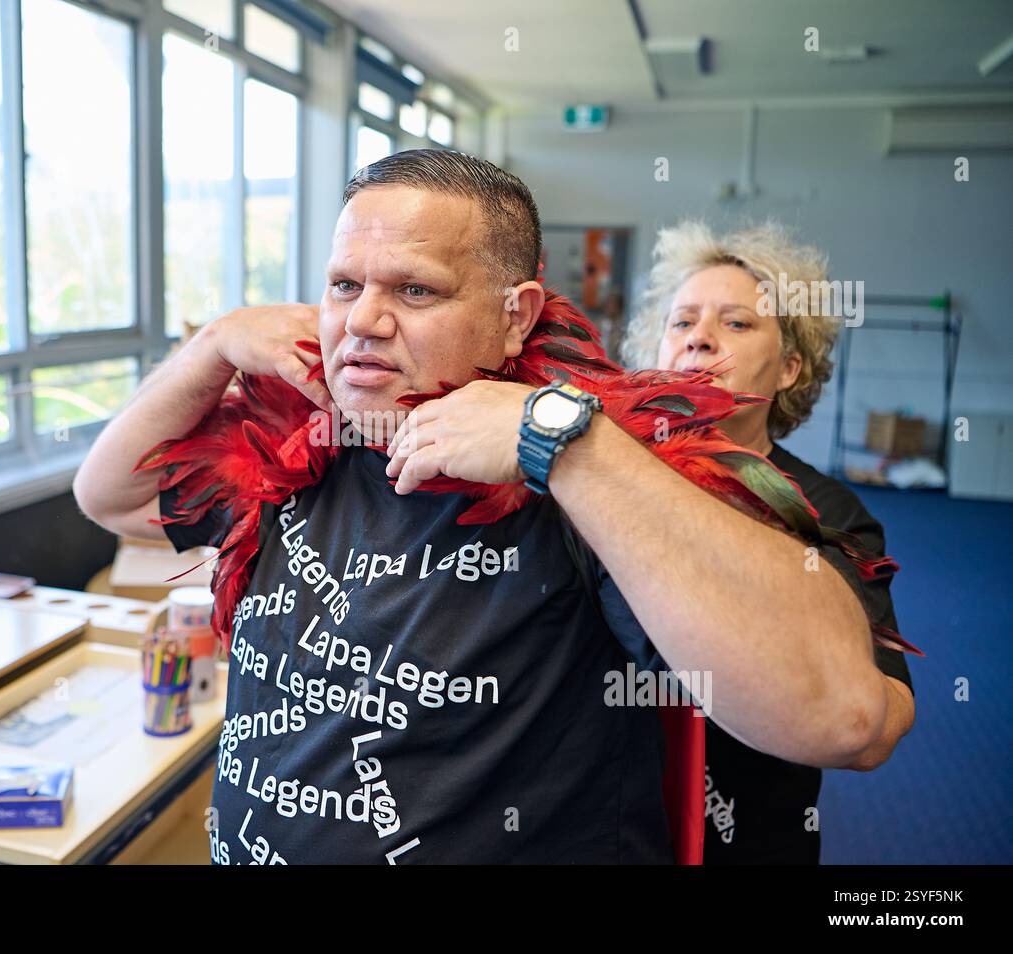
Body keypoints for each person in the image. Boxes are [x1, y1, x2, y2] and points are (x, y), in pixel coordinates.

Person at [74, 150, 894, 864]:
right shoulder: (302, 445)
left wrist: (568, 445)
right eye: (343, 284)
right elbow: (109, 495)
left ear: (517, 319)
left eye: (416, 290)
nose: (362, 319)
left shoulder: (591, 476)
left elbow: (841, 719)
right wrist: (213, 344)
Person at [621, 220, 915, 864]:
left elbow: (874, 727)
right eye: (682, 322)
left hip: (747, 834)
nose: (699, 338)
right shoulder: (597, 471)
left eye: (736, 323)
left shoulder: (832, 512)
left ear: (788, 369)